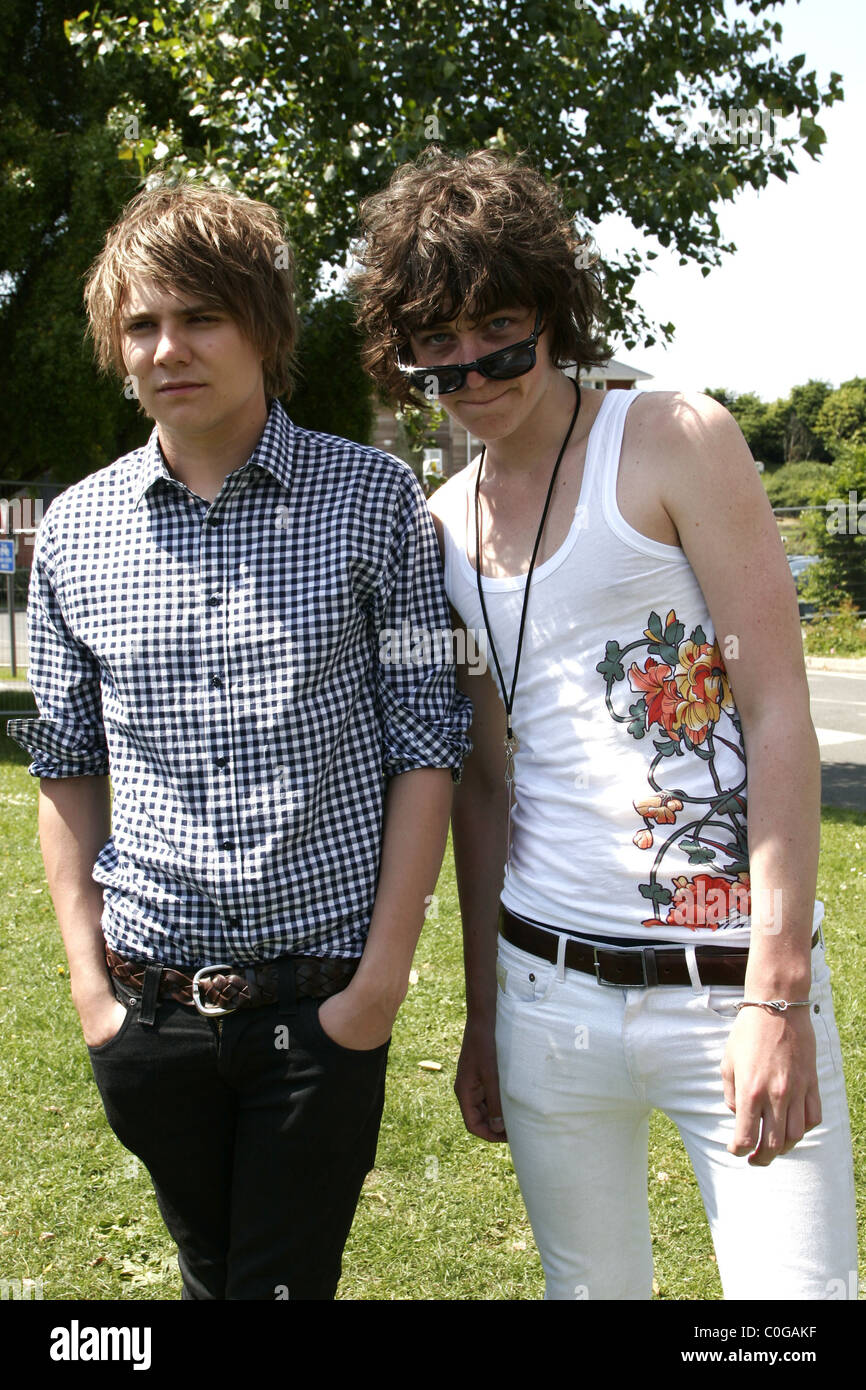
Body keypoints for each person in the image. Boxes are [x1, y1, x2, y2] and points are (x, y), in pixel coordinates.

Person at [352, 148, 858, 1300]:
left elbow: (778, 710)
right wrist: (483, 1015)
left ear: (553, 310)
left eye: (500, 329)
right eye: (436, 342)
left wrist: (773, 994)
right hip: (547, 1001)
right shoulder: (437, 527)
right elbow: (485, 784)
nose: (472, 367)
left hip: (729, 984)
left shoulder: (672, 436)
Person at [7, 181, 471, 1301]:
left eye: (200, 317)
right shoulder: (74, 531)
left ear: (264, 327)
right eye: (141, 324)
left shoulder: (376, 503)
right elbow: (64, 767)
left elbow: (427, 743)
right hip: (148, 1006)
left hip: (317, 1006)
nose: (169, 348)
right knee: (212, 1279)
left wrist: (378, 986)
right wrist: (89, 993)